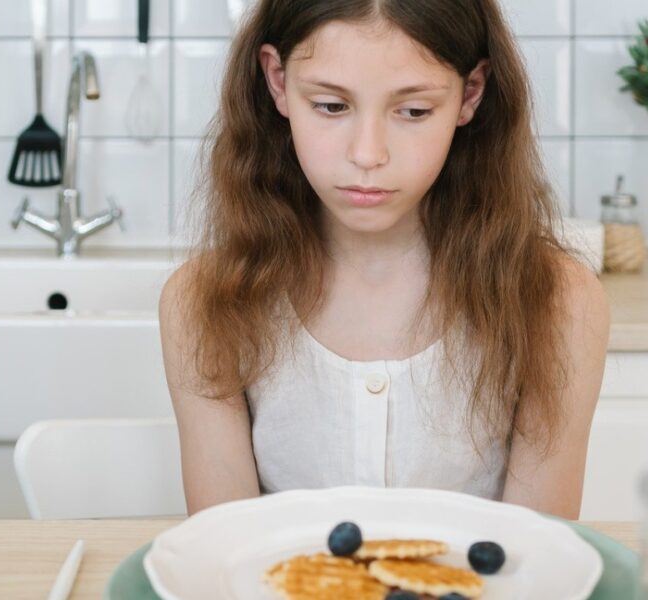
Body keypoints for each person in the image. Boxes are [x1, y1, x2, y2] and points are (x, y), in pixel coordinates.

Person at [159, 0, 610, 520]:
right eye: (331, 106)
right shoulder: (201, 305)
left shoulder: (560, 303)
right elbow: (224, 555)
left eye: (414, 111)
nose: (368, 154)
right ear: (278, 82)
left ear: (471, 93)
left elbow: (539, 561)